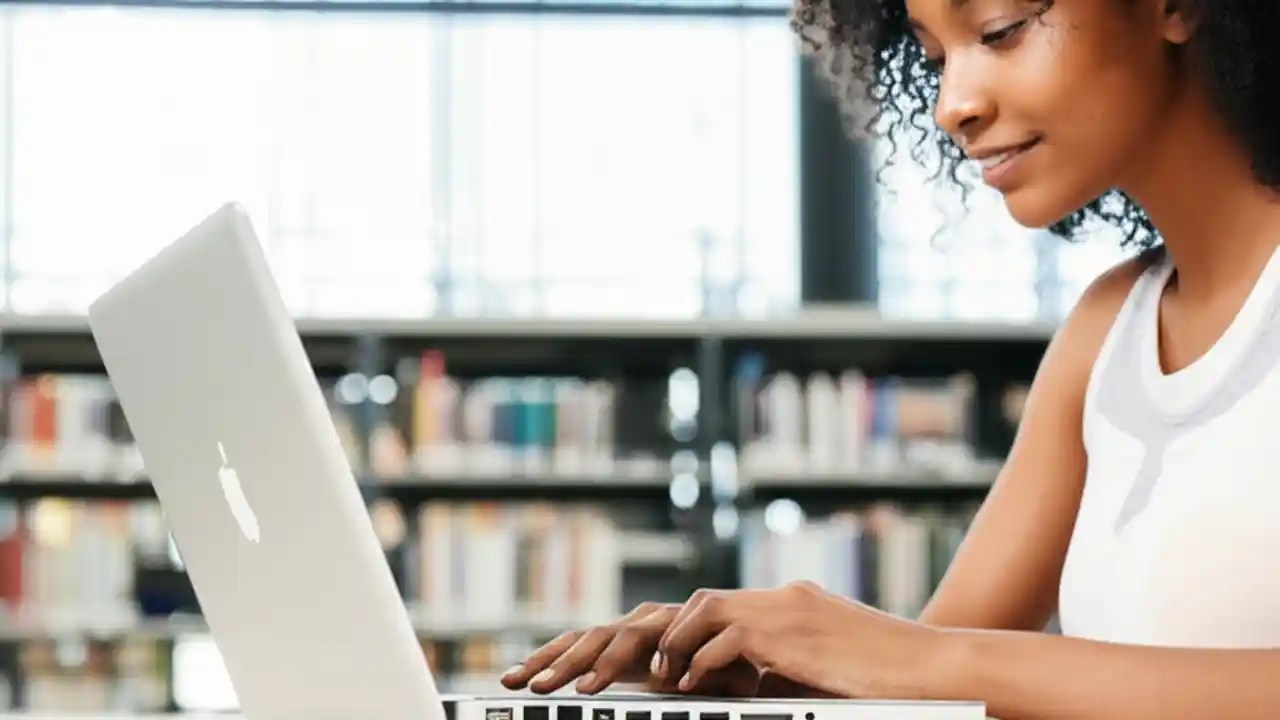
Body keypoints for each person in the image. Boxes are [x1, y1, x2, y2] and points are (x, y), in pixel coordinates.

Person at [503, 0, 1280, 716]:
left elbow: (934, 660)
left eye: (1001, 29)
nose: (955, 106)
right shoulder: (1107, 331)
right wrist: (765, 674)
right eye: (936, 59)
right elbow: (924, 685)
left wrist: (914, 657)